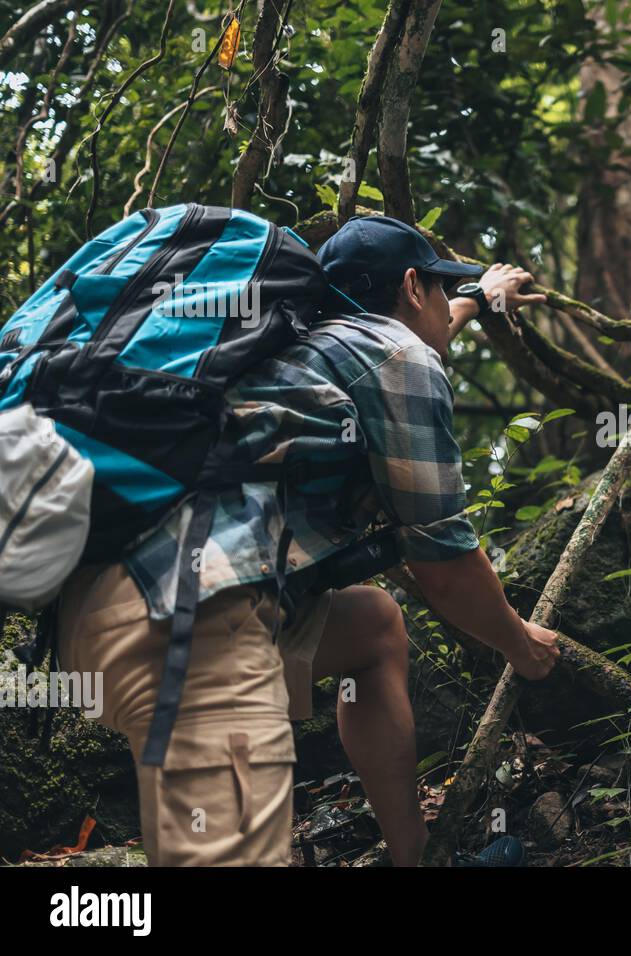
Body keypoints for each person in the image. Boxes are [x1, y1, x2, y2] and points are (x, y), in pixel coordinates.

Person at [56, 214, 560, 866]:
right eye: (440, 289)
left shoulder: (306, 351)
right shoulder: (392, 354)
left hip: (98, 618)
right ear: (412, 286)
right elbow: (445, 565)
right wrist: (522, 646)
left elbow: (415, 339)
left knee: (374, 627)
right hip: (194, 627)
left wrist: (478, 299)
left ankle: (416, 858)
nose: (446, 306)